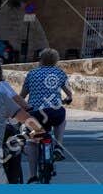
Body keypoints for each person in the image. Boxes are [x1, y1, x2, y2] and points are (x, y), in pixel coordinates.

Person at [19, 48, 71, 180]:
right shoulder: (59, 73)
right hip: (54, 112)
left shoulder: (32, 73)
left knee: (32, 141)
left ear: (40, 59)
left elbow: (22, 96)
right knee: (61, 120)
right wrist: (67, 99)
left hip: (35, 113)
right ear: (55, 60)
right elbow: (69, 93)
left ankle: (32, 176)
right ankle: (58, 146)